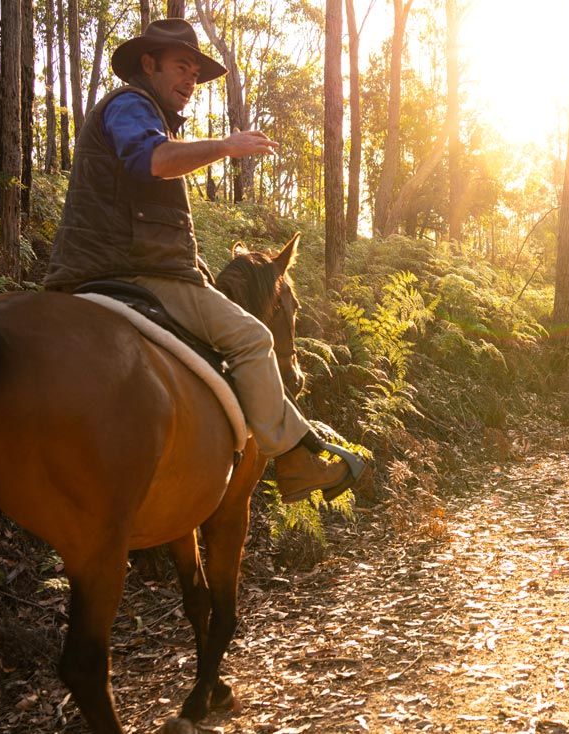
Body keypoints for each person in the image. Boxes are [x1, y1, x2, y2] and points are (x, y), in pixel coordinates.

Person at [44, 19, 354, 503]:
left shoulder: (149, 114)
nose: (190, 80)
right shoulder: (131, 105)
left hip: (120, 264)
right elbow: (152, 160)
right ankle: (294, 462)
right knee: (253, 338)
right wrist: (226, 146)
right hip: (128, 271)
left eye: (195, 72)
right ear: (149, 64)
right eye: (181, 67)